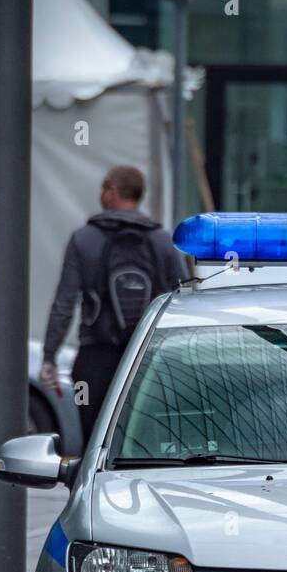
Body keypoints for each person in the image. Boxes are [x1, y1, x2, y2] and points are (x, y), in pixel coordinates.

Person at [40, 165, 188, 442]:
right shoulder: (163, 240)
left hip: (96, 357)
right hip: (148, 358)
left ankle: (91, 483)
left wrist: (50, 356)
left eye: (103, 188)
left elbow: (64, 302)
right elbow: (182, 299)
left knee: (94, 440)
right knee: (146, 440)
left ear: (113, 191)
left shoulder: (83, 239)